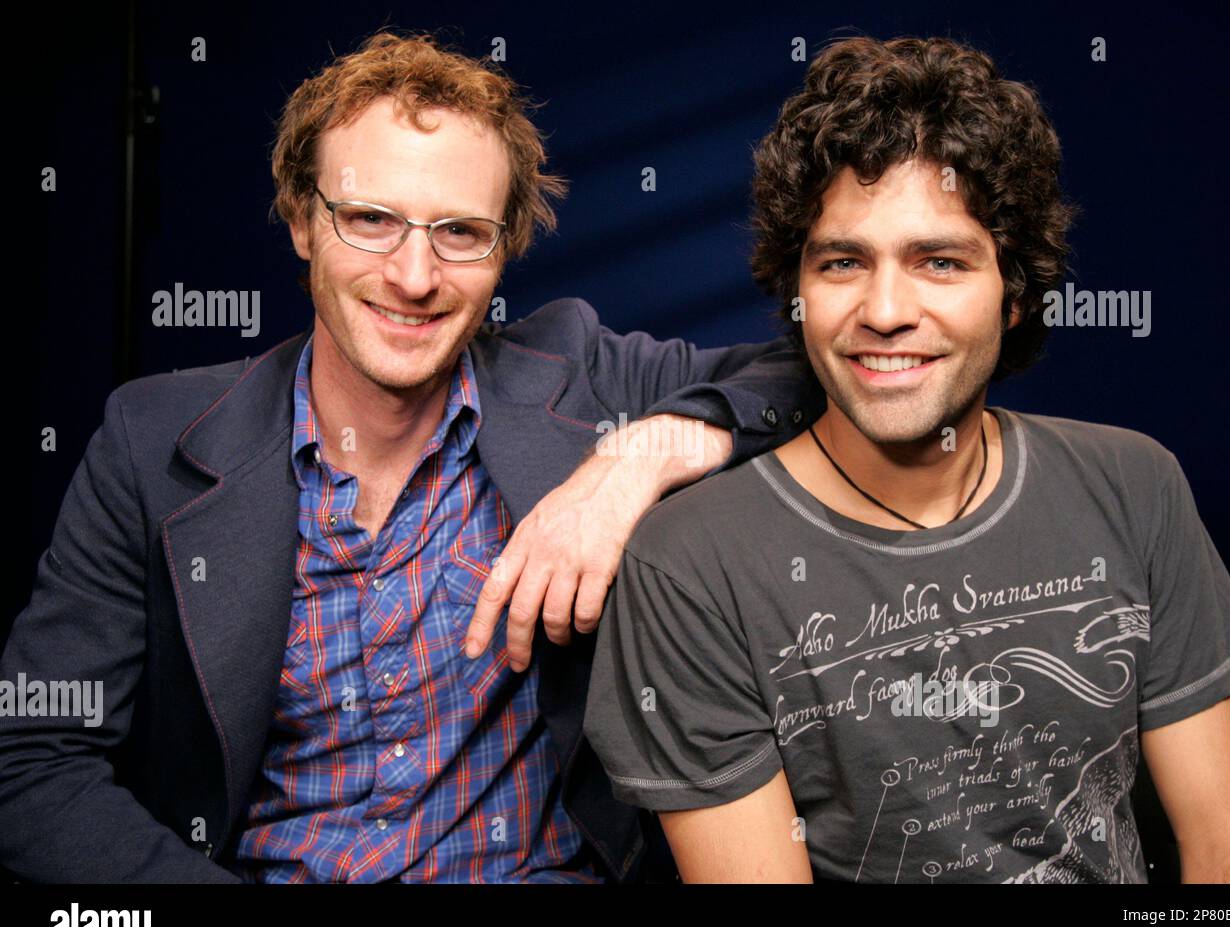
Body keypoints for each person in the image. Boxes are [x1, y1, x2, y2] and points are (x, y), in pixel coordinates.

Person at [0, 31, 820, 883]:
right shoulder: (151, 441)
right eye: (370, 220)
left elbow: (821, 373)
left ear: (505, 249)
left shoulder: (580, 375)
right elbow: (32, 761)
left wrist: (638, 457)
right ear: (300, 221)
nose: (415, 275)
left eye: (461, 232)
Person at [583, 35, 1230, 883]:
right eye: (844, 262)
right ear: (798, 290)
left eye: (941, 262)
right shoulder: (690, 564)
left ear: (1016, 291)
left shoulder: (1133, 483)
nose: (886, 310)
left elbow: (1229, 844)